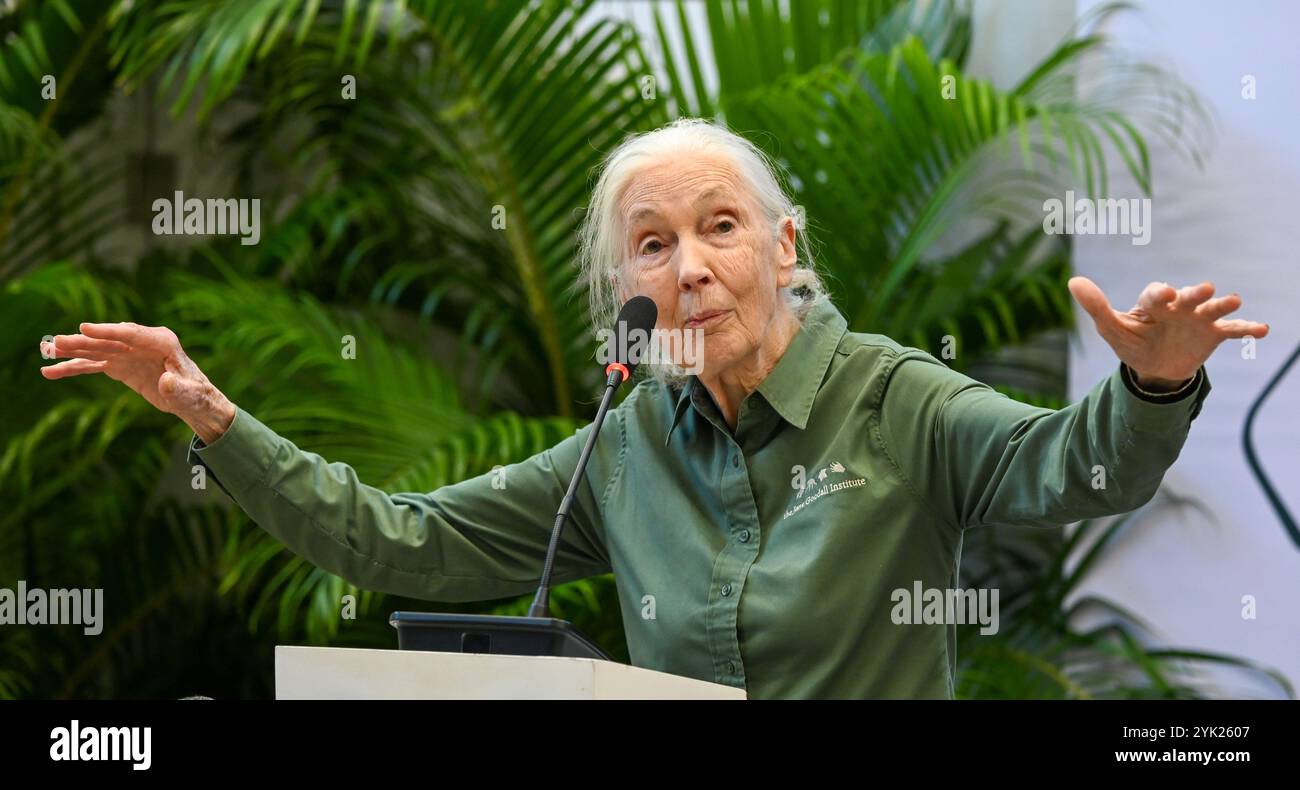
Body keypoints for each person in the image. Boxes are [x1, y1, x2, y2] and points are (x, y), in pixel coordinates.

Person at [38, 118, 1268, 699]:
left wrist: (1152, 380)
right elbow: (394, 539)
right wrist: (207, 408)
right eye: (651, 243)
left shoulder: (893, 395)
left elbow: (1074, 468)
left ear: (783, 246)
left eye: (719, 226)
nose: (686, 266)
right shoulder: (624, 449)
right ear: (626, 286)